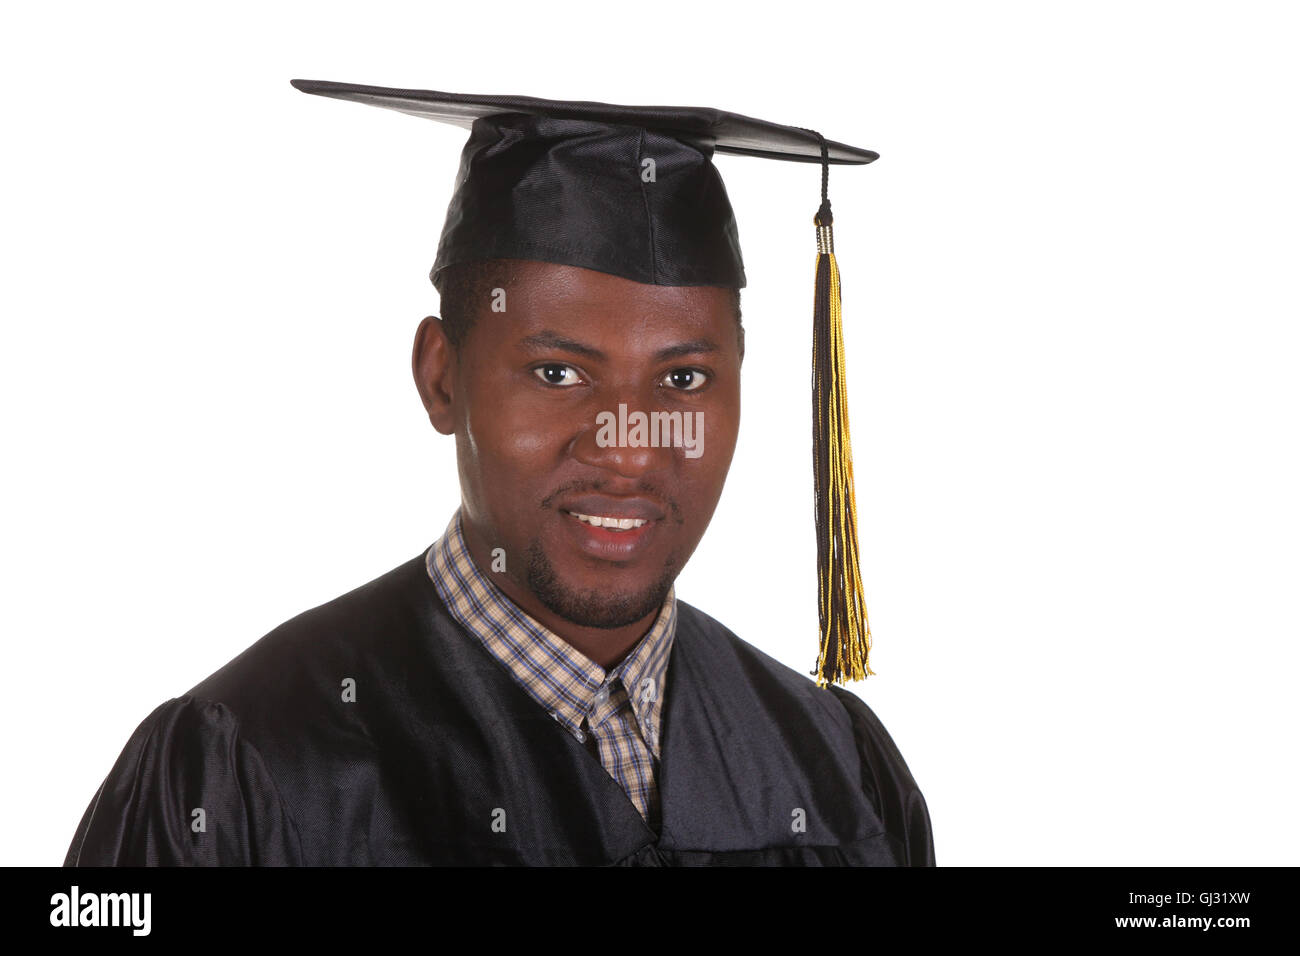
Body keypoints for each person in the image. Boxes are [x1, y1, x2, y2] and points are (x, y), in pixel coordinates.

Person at [64, 80, 935, 866]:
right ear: (442, 378)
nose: (630, 444)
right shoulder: (243, 769)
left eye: (683, 379)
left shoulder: (835, 771)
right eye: (559, 373)